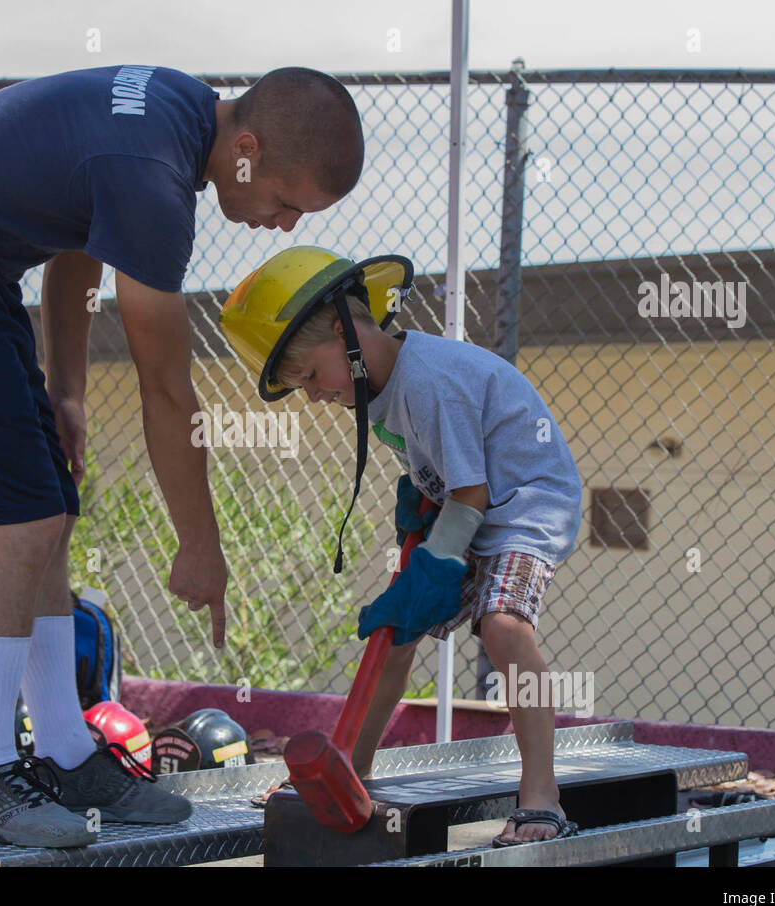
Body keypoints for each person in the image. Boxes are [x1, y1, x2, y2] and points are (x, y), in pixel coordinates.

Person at [0, 67, 365, 848]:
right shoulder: (154, 177)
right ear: (247, 149)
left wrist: (69, 391)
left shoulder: (177, 118)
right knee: (26, 514)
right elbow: (166, 389)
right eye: (286, 202)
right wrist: (200, 544)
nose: (283, 224)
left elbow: (77, 248)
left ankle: (64, 752)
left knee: (50, 501)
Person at [219, 246, 583, 845]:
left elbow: (474, 491)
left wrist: (437, 560)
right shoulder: (380, 385)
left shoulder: (428, 380)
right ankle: (347, 773)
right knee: (394, 635)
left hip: (525, 501)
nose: (312, 395)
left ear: (345, 331)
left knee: (502, 625)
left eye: (311, 375)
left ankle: (542, 796)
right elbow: (449, 478)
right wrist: (422, 493)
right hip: (468, 504)